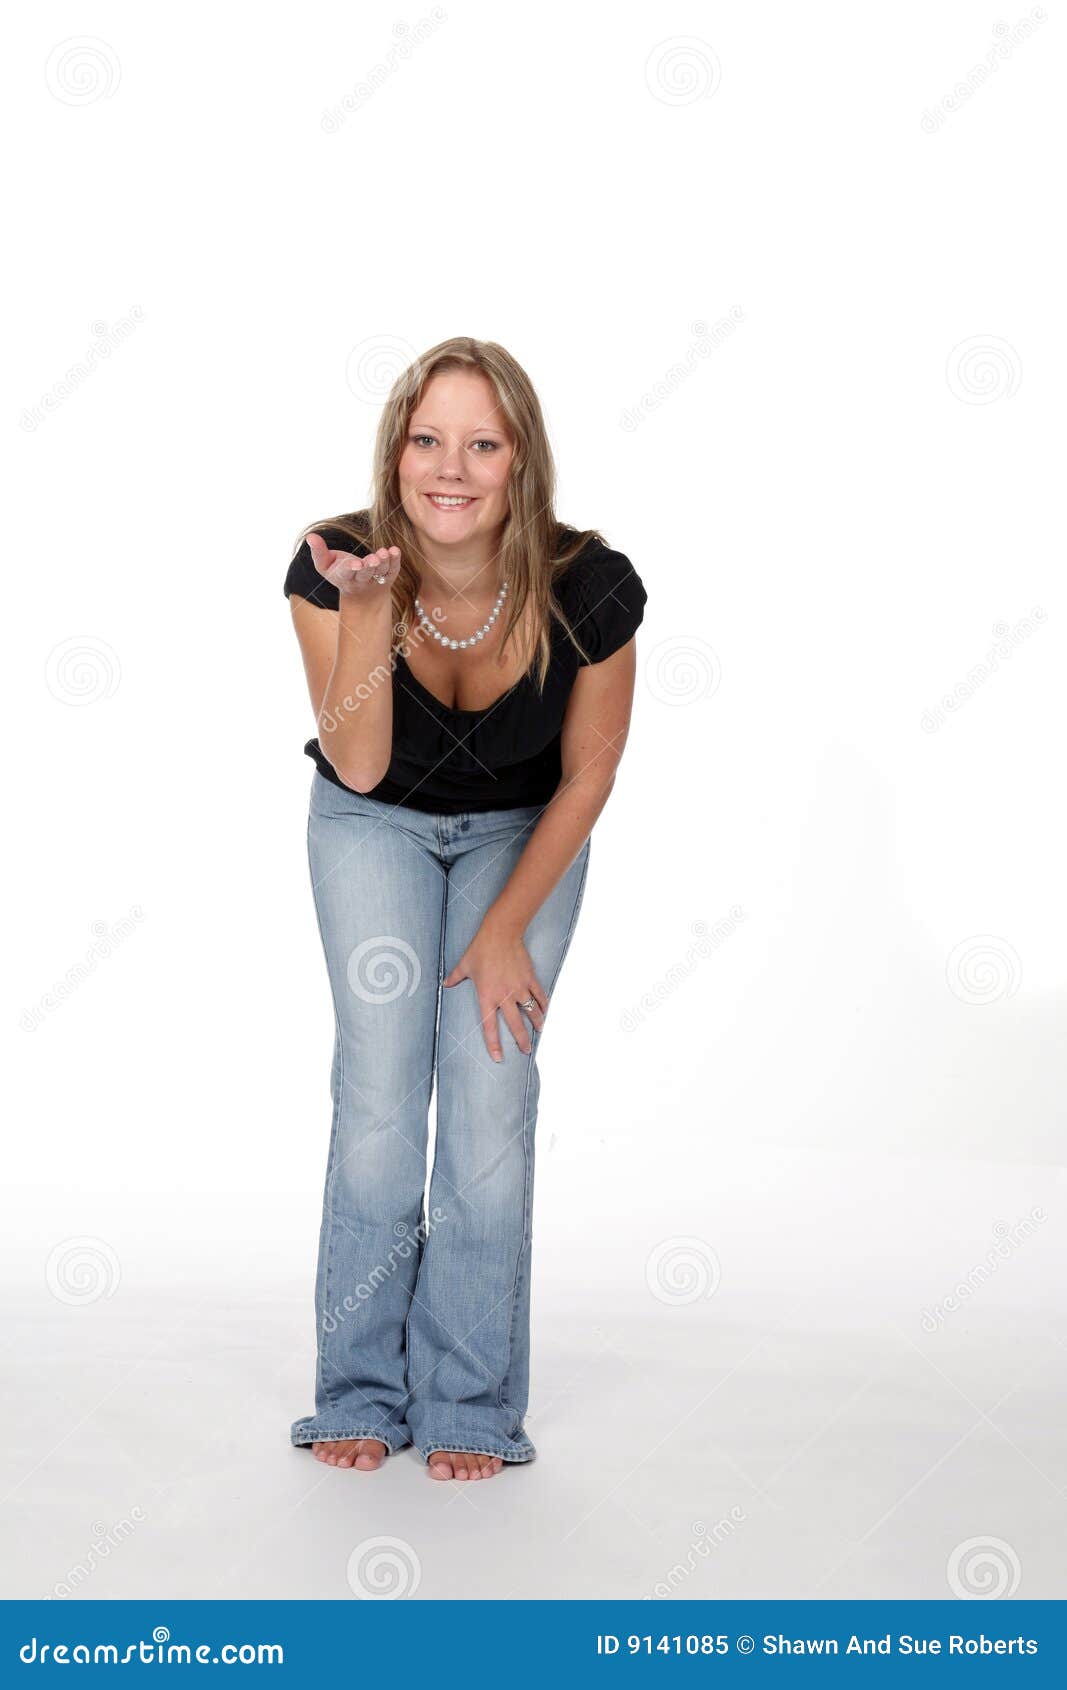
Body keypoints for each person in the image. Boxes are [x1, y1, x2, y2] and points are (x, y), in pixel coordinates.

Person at [283, 336, 647, 1480]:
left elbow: (587, 771)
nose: (452, 467)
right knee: (383, 1093)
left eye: (481, 443)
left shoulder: (588, 584)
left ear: (520, 459)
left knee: (487, 1094)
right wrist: (366, 610)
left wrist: (502, 931)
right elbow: (356, 763)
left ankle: (470, 1399)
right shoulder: (334, 561)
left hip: (520, 835)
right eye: (428, 439)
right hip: (371, 822)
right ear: (395, 451)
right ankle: (356, 1388)